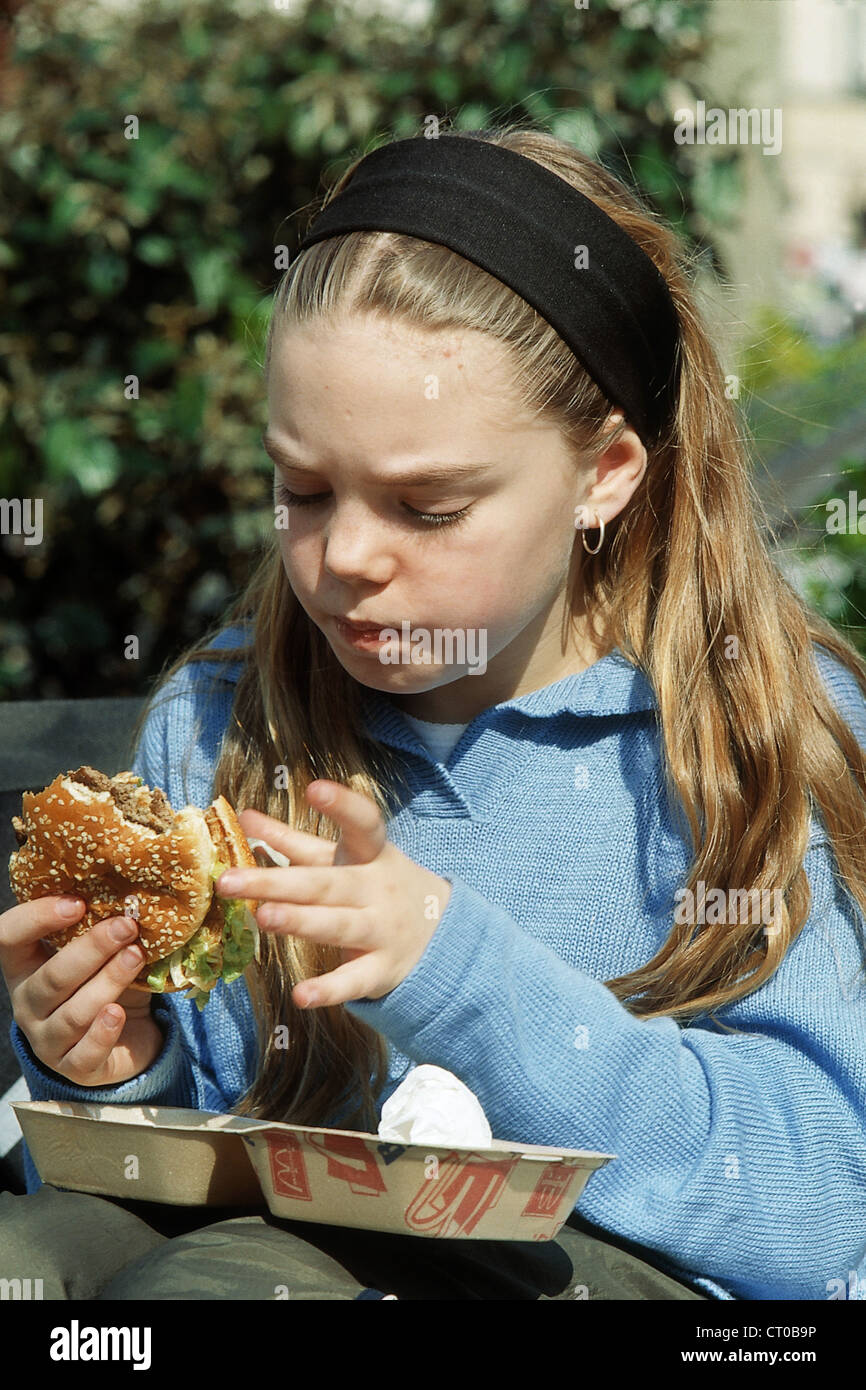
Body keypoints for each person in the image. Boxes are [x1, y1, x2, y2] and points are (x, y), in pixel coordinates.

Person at [2, 125, 866, 1302]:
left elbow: (815, 1209)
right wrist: (111, 1070)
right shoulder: (225, 718)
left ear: (603, 473)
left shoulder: (745, 735)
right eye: (302, 489)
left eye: (428, 506)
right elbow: (188, 1159)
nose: (347, 555)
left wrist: (453, 967)